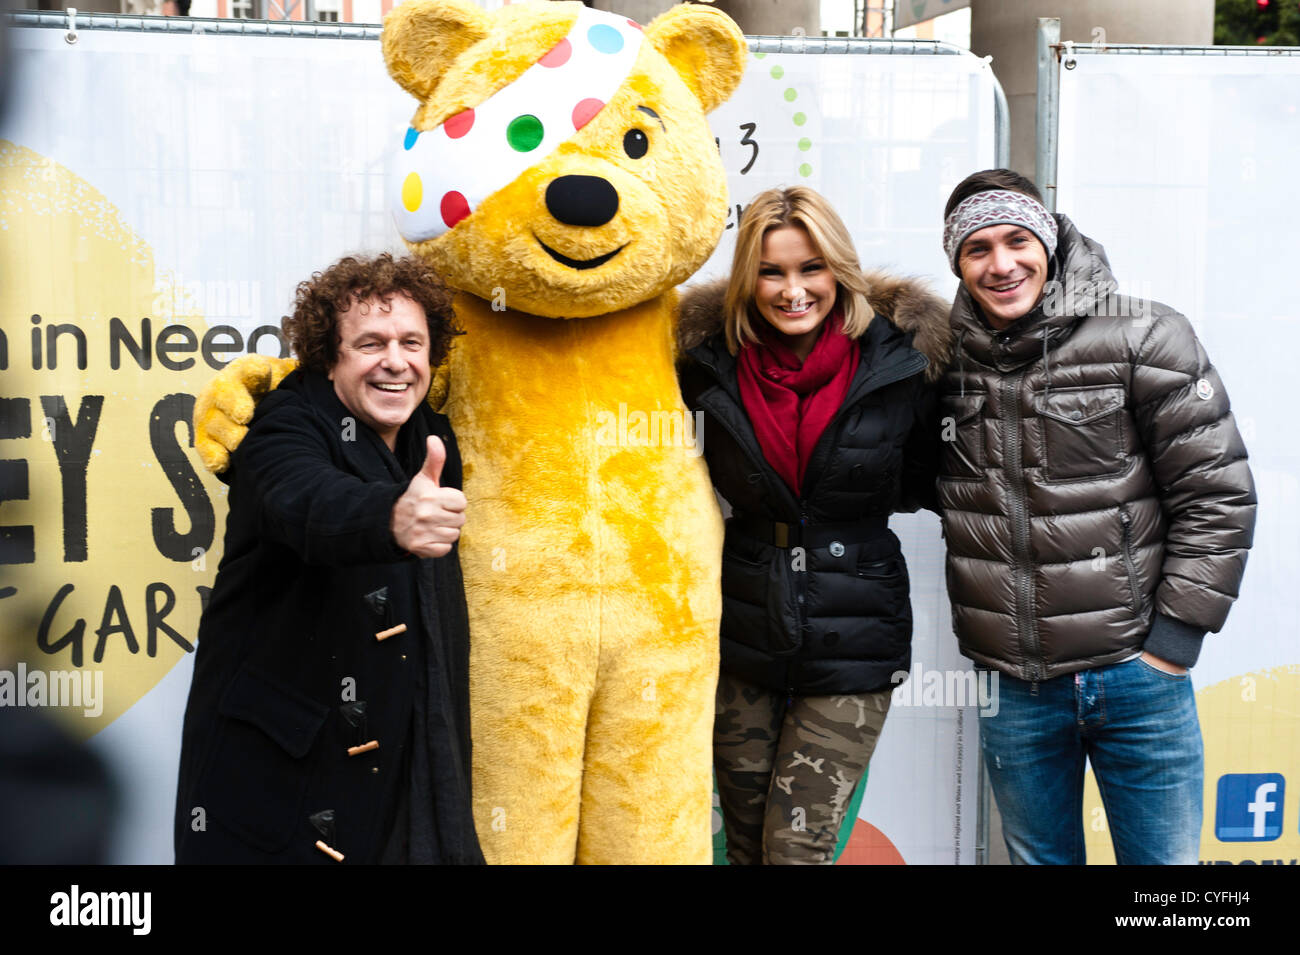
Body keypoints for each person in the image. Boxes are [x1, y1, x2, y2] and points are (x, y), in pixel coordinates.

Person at [937, 169, 1257, 864]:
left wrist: (1172, 643)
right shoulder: (941, 361)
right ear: (957, 264)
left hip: (1136, 675)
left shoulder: (1145, 333)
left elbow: (1217, 494)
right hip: (1014, 687)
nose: (1001, 264)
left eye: (1017, 240)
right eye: (977, 248)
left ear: (1047, 242)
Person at [174, 253, 484, 864]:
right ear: (329, 357)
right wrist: (392, 516)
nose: (395, 361)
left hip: (406, 769)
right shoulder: (280, 428)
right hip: (285, 781)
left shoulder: (431, 432)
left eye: (411, 342)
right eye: (370, 343)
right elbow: (307, 502)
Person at [677, 186, 951, 864]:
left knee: (796, 848)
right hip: (740, 634)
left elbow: (939, 475)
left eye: (811, 268)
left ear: (839, 270)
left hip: (853, 636)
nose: (793, 289)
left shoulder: (902, 362)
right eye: (772, 270)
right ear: (748, 277)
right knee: (740, 846)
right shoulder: (706, 366)